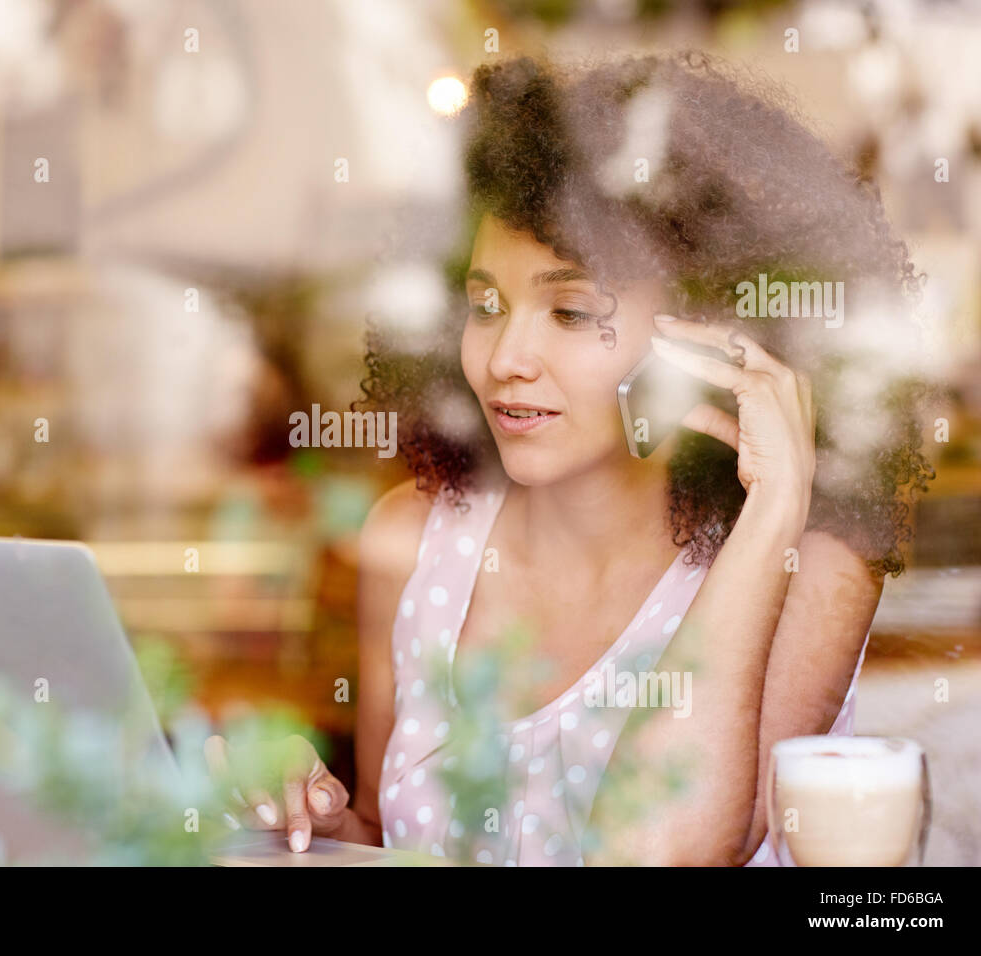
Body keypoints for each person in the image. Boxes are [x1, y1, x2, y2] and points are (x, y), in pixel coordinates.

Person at [204, 52, 934, 865]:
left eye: (572, 311)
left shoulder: (812, 560)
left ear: (715, 330)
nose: (506, 357)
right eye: (485, 305)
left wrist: (771, 515)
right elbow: (386, 838)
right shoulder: (412, 545)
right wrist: (305, 819)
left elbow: (663, 855)